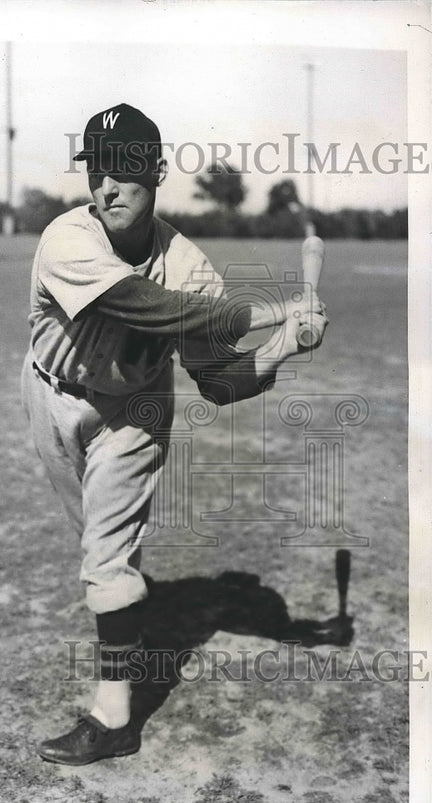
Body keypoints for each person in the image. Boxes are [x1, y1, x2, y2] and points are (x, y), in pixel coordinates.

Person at [20, 103, 326, 765]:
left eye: (126, 170)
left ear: (155, 172)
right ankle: (127, 595)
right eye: (98, 169)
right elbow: (150, 307)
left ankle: (113, 718)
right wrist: (272, 307)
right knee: (97, 546)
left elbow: (218, 380)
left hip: (135, 409)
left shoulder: (186, 261)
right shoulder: (68, 238)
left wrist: (282, 347)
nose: (108, 186)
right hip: (50, 392)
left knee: (107, 563)